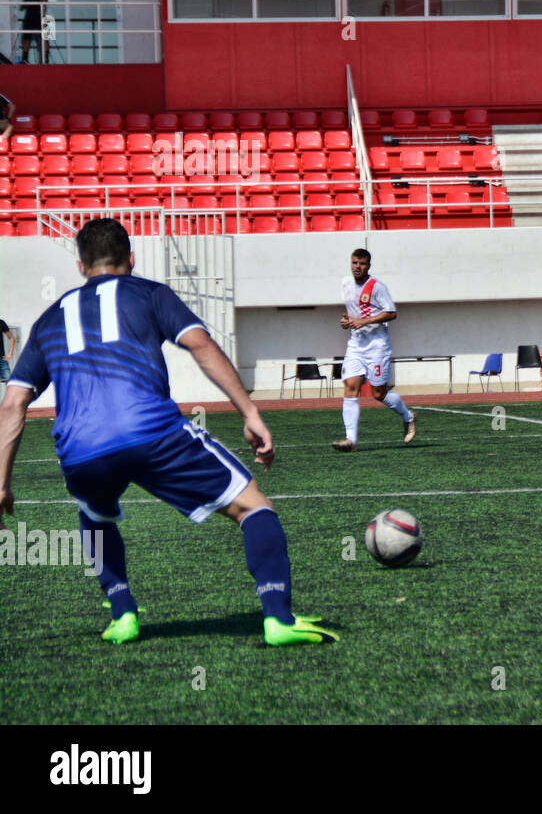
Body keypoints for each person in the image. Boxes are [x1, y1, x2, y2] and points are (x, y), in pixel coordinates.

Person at [0, 218, 336, 646]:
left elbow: (13, 404)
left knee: (95, 514)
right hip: (153, 432)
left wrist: (2, 484)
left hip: (80, 449)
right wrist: (249, 411)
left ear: (81, 266)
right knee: (254, 509)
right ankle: (278, 618)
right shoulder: (150, 293)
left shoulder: (50, 317)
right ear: (132, 259)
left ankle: (123, 613)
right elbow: (200, 344)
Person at [334, 248, 416, 451]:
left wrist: (366, 321)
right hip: (355, 345)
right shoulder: (345, 283)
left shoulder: (377, 287)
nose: (357, 267)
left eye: (361, 263)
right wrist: (345, 320)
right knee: (350, 387)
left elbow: (391, 313)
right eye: (354, 263)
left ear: (368, 266)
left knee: (378, 394)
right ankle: (350, 440)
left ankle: (408, 416)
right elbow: (350, 310)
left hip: (377, 347)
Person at [19, 0, 50, 65]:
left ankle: (46, 58)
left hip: (40, 15)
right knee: (26, 37)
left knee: (45, 37)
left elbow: (45, 1)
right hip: (29, 16)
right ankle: (25, 58)